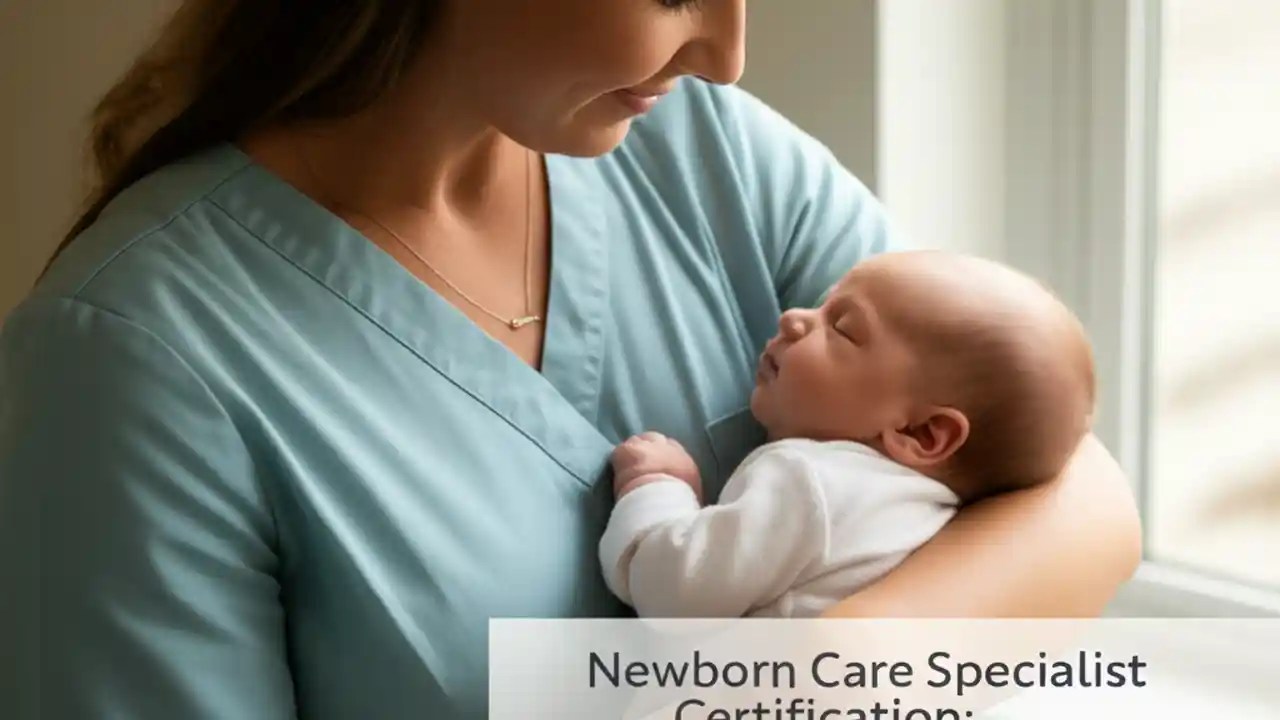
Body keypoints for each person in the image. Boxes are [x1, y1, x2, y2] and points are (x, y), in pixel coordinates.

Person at [0, 2, 1140, 719]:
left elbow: (1072, 490)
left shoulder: (702, 149)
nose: (726, 55)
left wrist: (809, 676)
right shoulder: (131, 359)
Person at [599, 251, 1096, 619]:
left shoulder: (809, 481)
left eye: (842, 327)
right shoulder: (936, 520)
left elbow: (673, 590)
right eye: (823, 305)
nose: (794, 318)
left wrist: (658, 487)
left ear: (921, 432)